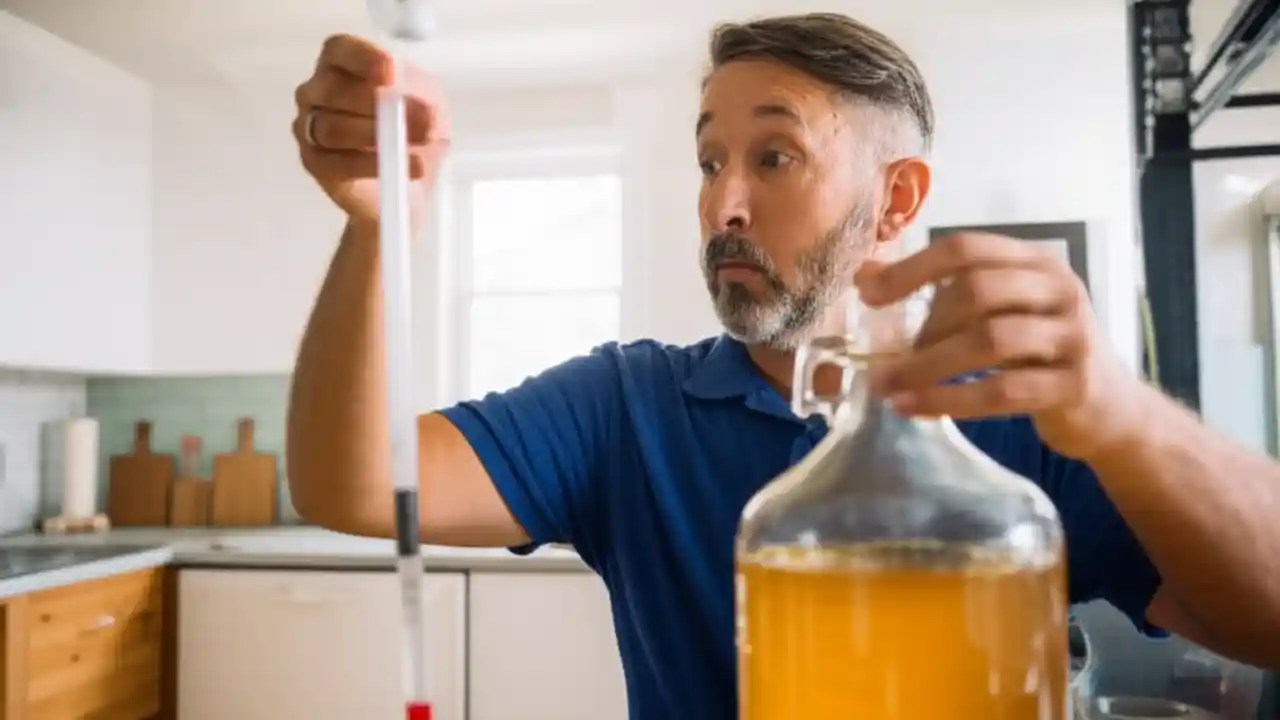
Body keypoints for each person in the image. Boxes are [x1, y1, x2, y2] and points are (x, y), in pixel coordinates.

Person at [286, 11, 1280, 716]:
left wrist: (1123, 415)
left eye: (772, 157)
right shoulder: (628, 407)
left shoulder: (1019, 420)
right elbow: (358, 481)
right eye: (708, 159)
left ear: (894, 203)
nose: (722, 202)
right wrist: (380, 232)